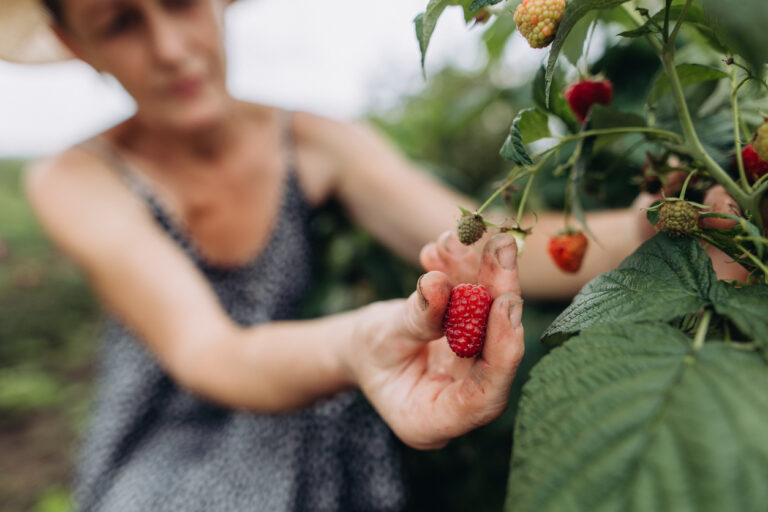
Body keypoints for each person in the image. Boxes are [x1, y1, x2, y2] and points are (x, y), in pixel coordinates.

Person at [0, 0, 747, 510]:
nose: (169, 48)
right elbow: (211, 353)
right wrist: (362, 340)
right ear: (75, 43)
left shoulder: (317, 141)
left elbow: (502, 250)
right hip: (176, 444)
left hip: (318, 421)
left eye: (181, 3)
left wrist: (666, 227)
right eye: (122, 21)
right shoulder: (76, 177)